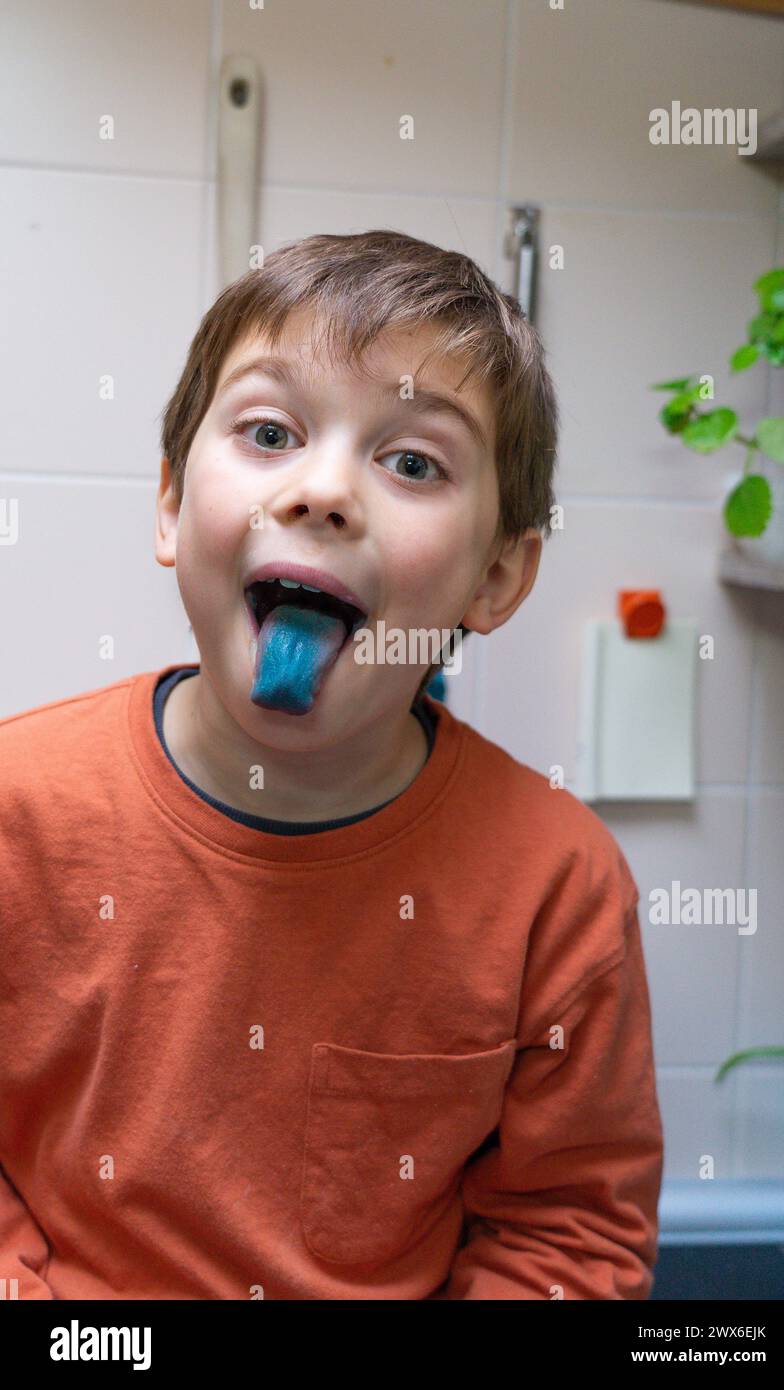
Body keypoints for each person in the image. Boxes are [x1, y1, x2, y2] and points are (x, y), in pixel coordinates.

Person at [0, 229, 663, 1300]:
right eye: (270, 431)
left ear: (497, 575)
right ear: (171, 503)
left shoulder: (557, 886)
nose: (322, 490)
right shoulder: (17, 811)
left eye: (412, 462)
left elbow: (569, 1239)